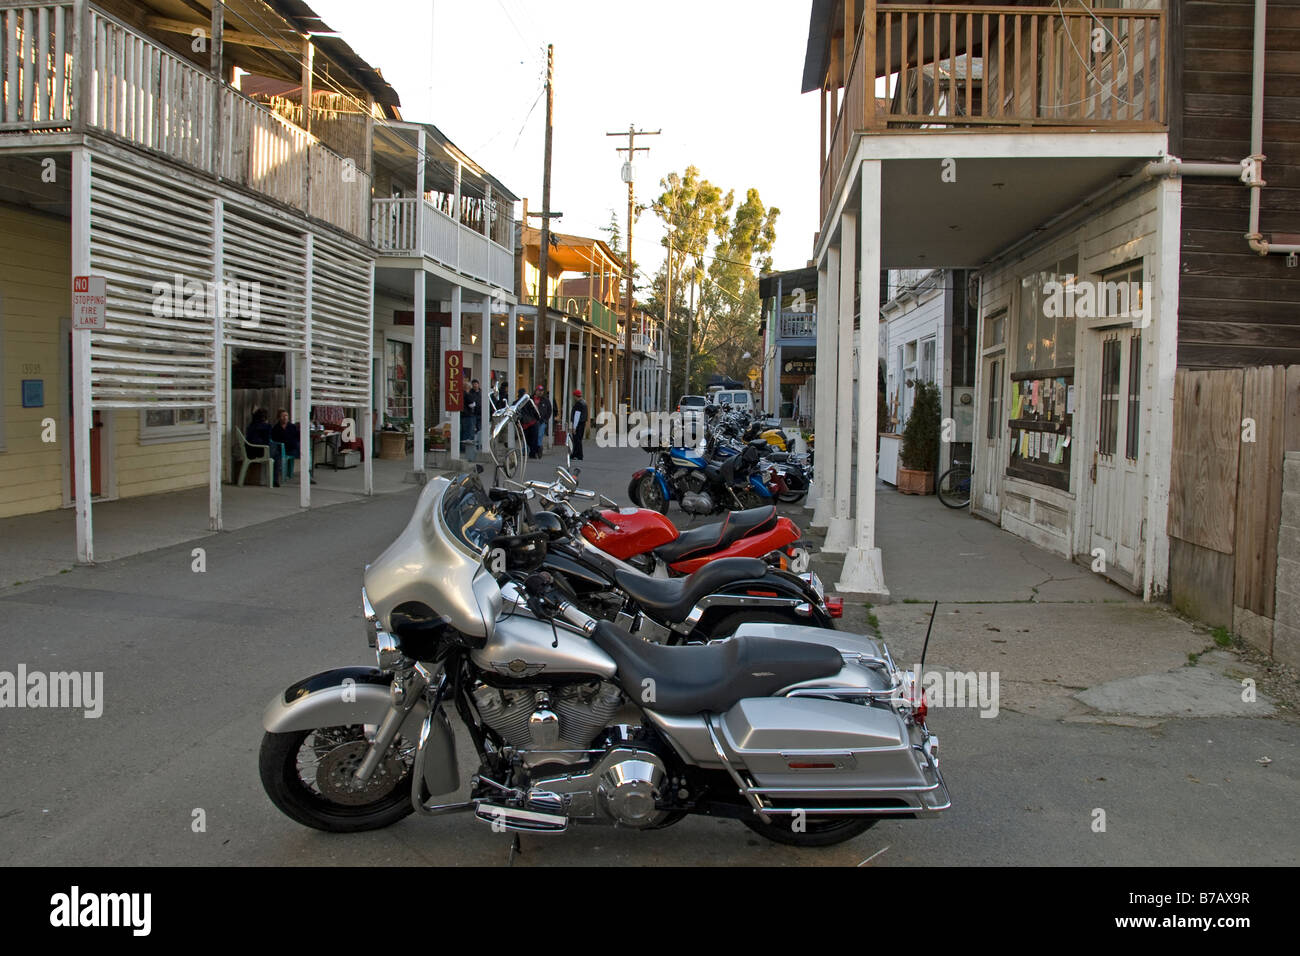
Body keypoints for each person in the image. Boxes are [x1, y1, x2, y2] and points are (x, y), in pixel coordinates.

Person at [246, 408, 283, 486]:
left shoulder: (251, 426)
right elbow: (267, 441)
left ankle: (275, 479)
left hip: (250, 452)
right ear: (265, 418)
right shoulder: (267, 426)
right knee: (277, 451)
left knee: (275, 448)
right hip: (261, 452)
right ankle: (275, 480)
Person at [533, 385, 553, 459]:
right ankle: (533, 451)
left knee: (540, 436)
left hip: (542, 421)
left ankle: (539, 450)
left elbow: (549, 410)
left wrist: (545, 419)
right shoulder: (531, 399)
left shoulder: (545, 400)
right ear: (536, 391)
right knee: (533, 436)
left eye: (541, 391)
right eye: (539, 390)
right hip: (532, 421)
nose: (540, 392)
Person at [462, 379, 482, 448]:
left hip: (469, 414)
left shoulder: (479, 393)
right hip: (469, 414)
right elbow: (472, 404)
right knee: (469, 432)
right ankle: (468, 447)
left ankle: (465, 447)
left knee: (466, 431)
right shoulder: (467, 394)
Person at [570, 388, 588, 461]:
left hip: (578, 424)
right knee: (578, 439)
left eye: (574, 396)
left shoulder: (578, 404)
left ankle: (578, 455)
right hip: (582, 423)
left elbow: (577, 416)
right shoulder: (584, 402)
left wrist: (574, 427)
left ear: (575, 396)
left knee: (576, 440)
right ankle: (576, 454)